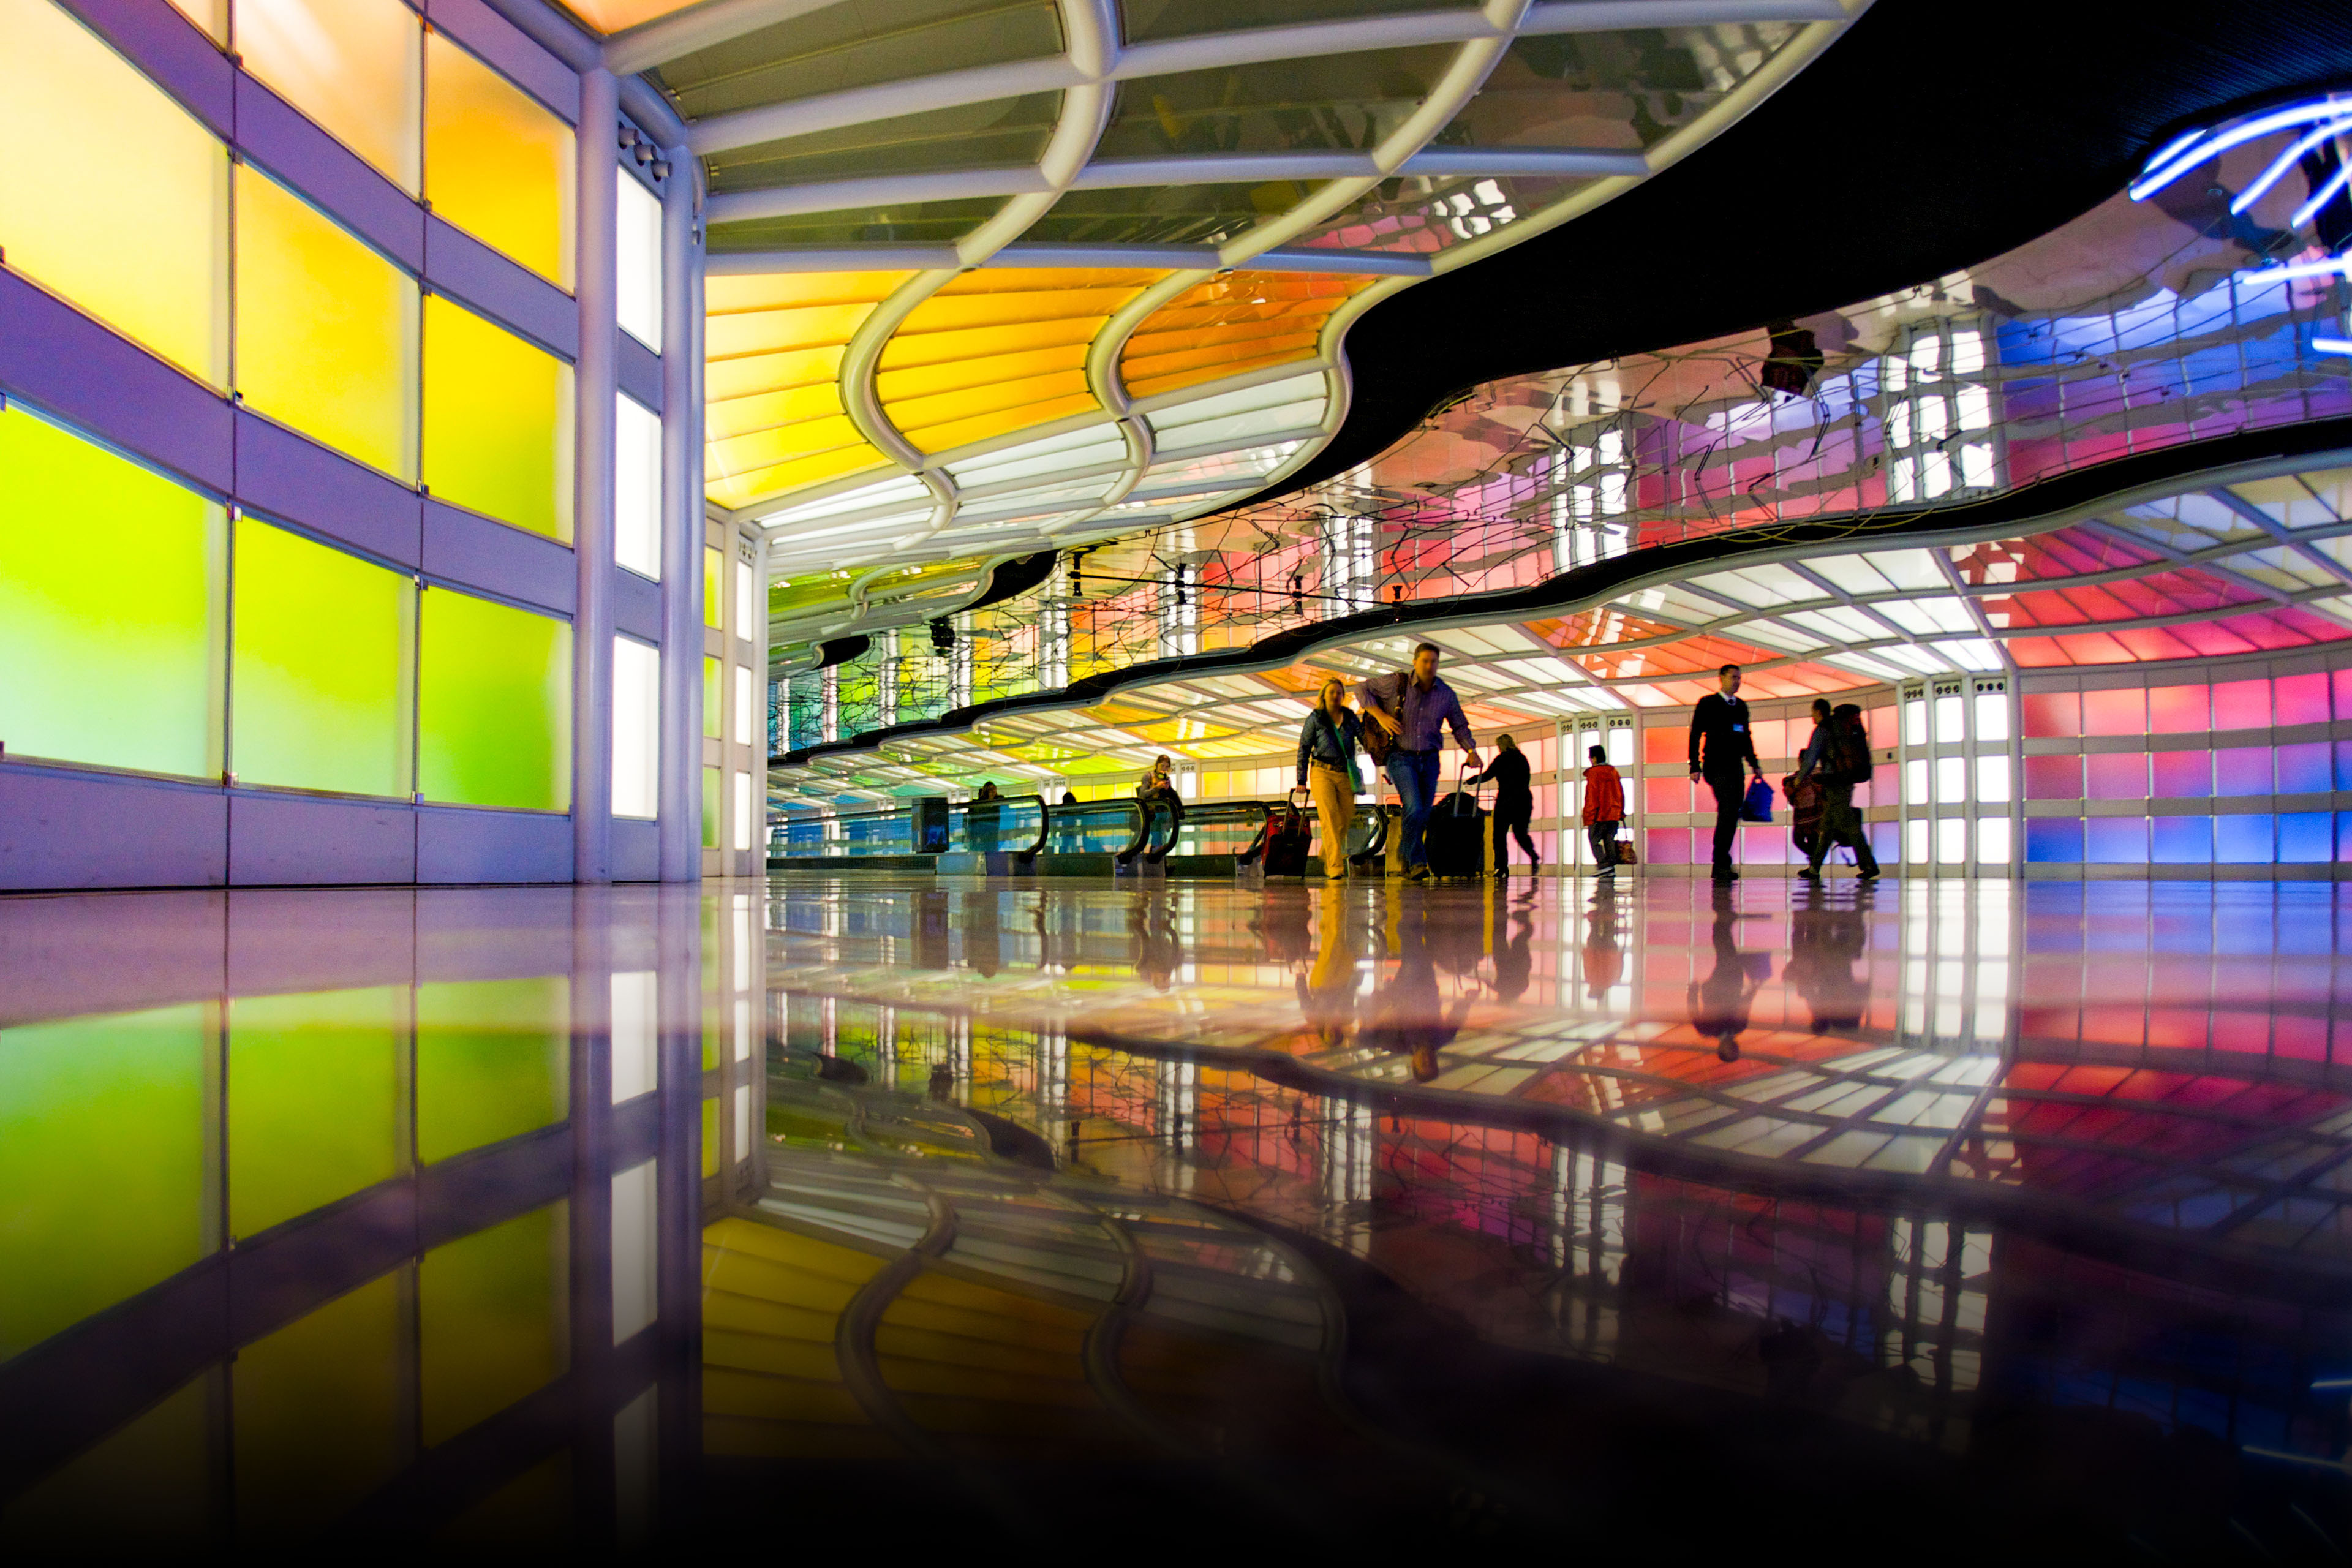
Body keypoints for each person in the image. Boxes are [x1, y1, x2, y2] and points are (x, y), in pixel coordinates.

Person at [1356, 642, 1481, 883]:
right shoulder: (1396, 683)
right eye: (1424, 661)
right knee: (1413, 805)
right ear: (1415, 662)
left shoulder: (1445, 693)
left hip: (1430, 759)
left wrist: (1471, 750)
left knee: (1423, 812)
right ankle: (1413, 858)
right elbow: (1362, 689)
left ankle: (1411, 857)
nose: (1429, 666)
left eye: (1433, 662)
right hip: (1400, 756)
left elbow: (1460, 724)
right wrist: (1381, 716)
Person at [1688, 663, 1764, 884]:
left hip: (1735, 768)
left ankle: (1721, 863)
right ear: (1721, 678)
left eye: (1740, 678)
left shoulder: (1741, 706)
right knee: (1728, 810)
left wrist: (1754, 762)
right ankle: (1720, 863)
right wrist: (1694, 765)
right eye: (1733, 677)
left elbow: (1746, 736)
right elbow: (1695, 734)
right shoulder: (1708, 704)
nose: (1737, 681)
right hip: (1716, 765)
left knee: (1731, 815)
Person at [1793, 701, 1881, 880]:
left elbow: (1811, 758)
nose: (1812, 716)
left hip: (1834, 783)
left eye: (1813, 712)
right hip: (1847, 780)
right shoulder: (1840, 728)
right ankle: (1814, 868)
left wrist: (1799, 779)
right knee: (1827, 827)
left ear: (1818, 712)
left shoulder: (1823, 729)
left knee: (1849, 826)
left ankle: (1870, 866)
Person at [1295, 676, 1365, 879]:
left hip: (1345, 773)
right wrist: (1301, 779)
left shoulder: (1350, 717)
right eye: (1332, 692)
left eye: (1339, 693)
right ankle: (1335, 866)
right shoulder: (1316, 718)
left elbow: (1365, 738)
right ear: (1324, 696)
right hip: (1321, 771)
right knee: (1330, 817)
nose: (1336, 696)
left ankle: (1327, 851)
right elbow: (1304, 747)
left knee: (1346, 816)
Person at [1468, 733, 1538, 876]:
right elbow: (1527, 779)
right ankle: (1533, 854)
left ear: (1502, 745)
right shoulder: (1522, 758)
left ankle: (1501, 868)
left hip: (1506, 800)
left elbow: (1488, 775)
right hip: (1524, 800)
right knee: (1520, 834)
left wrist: (1472, 780)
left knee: (1499, 835)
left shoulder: (1502, 759)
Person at [1581, 742, 1625, 878]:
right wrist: (1620, 812)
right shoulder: (1613, 772)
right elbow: (1620, 794)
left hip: (1598, 815)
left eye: (1590, 758)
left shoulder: (1594, 774)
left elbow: (1592, 796)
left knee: (1594, 840)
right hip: (1613, 814)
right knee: (1609, 840)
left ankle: (1604, 865)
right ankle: (1610, 868)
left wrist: (1588, 815)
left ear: (1594, 759)